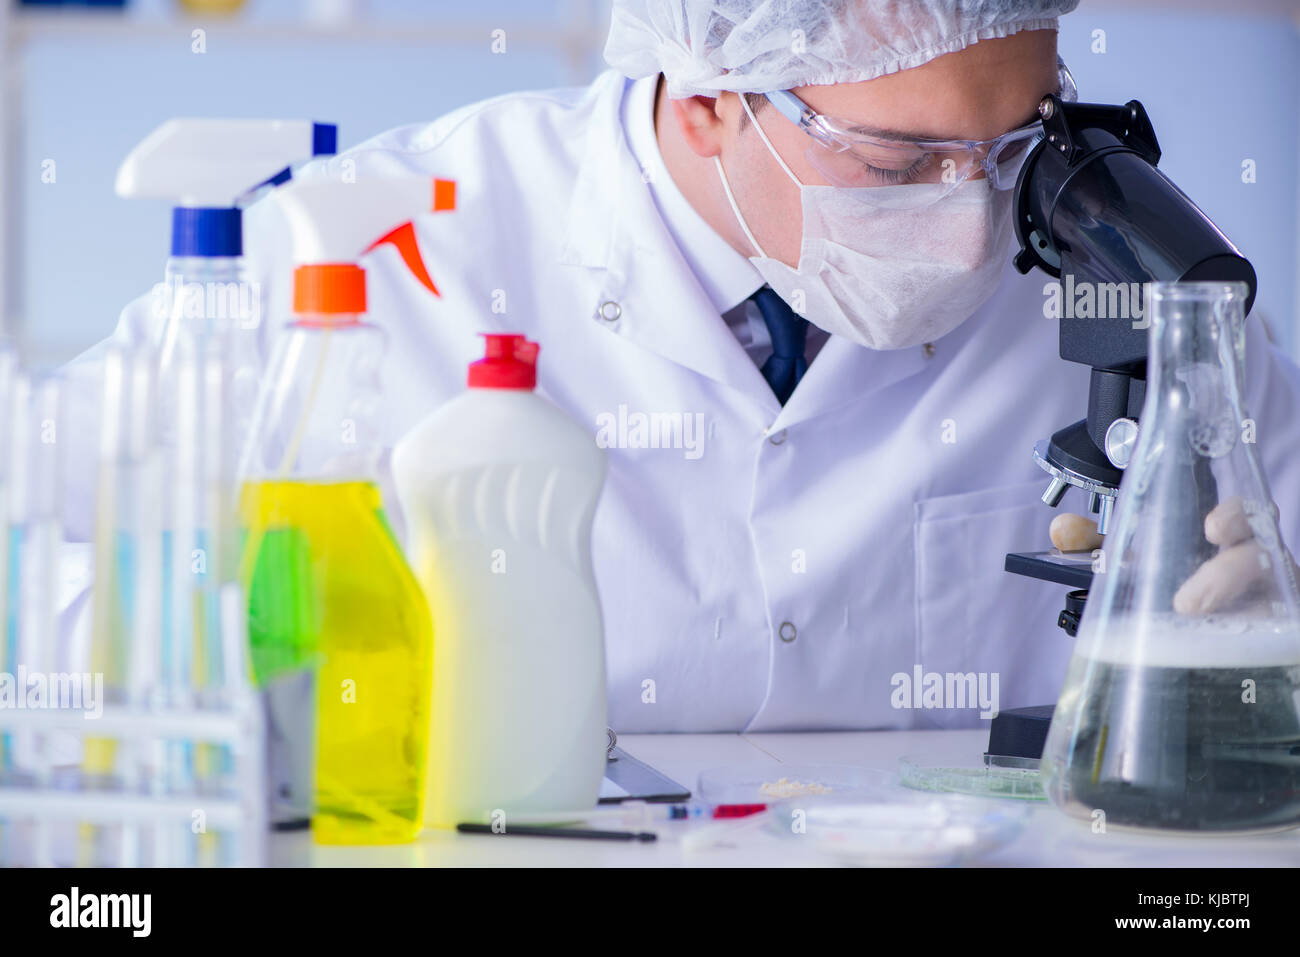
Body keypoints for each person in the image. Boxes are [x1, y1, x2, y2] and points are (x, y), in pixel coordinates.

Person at [73, 0, 1300, 732]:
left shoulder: (1135, 277)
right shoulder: (388, 241)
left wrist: (1265, 646)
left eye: (1009, 148)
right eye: (894, 164)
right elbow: (63, 568)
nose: (976, 224)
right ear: (710, 95)